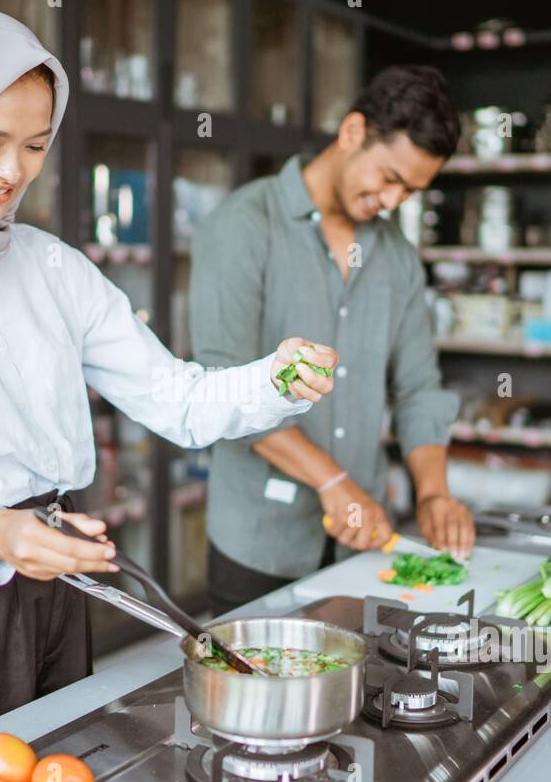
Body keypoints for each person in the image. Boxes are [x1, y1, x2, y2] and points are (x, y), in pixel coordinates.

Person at [0, 10, 339, 771]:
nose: (12, 171)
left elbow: (175, 400)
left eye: (36, 146)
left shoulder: (51, 267)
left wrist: (277, 377)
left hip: (58, 576)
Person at [189, 64, 473, 617]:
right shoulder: (244, 226)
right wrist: (332, 480)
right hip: (259, 542)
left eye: (410, 191)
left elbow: (419, 388)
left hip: (360, 545)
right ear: (352, 133)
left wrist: (434, 492)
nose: (393, 200)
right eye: (389, 177)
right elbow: (222, 382)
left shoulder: (397, 257)